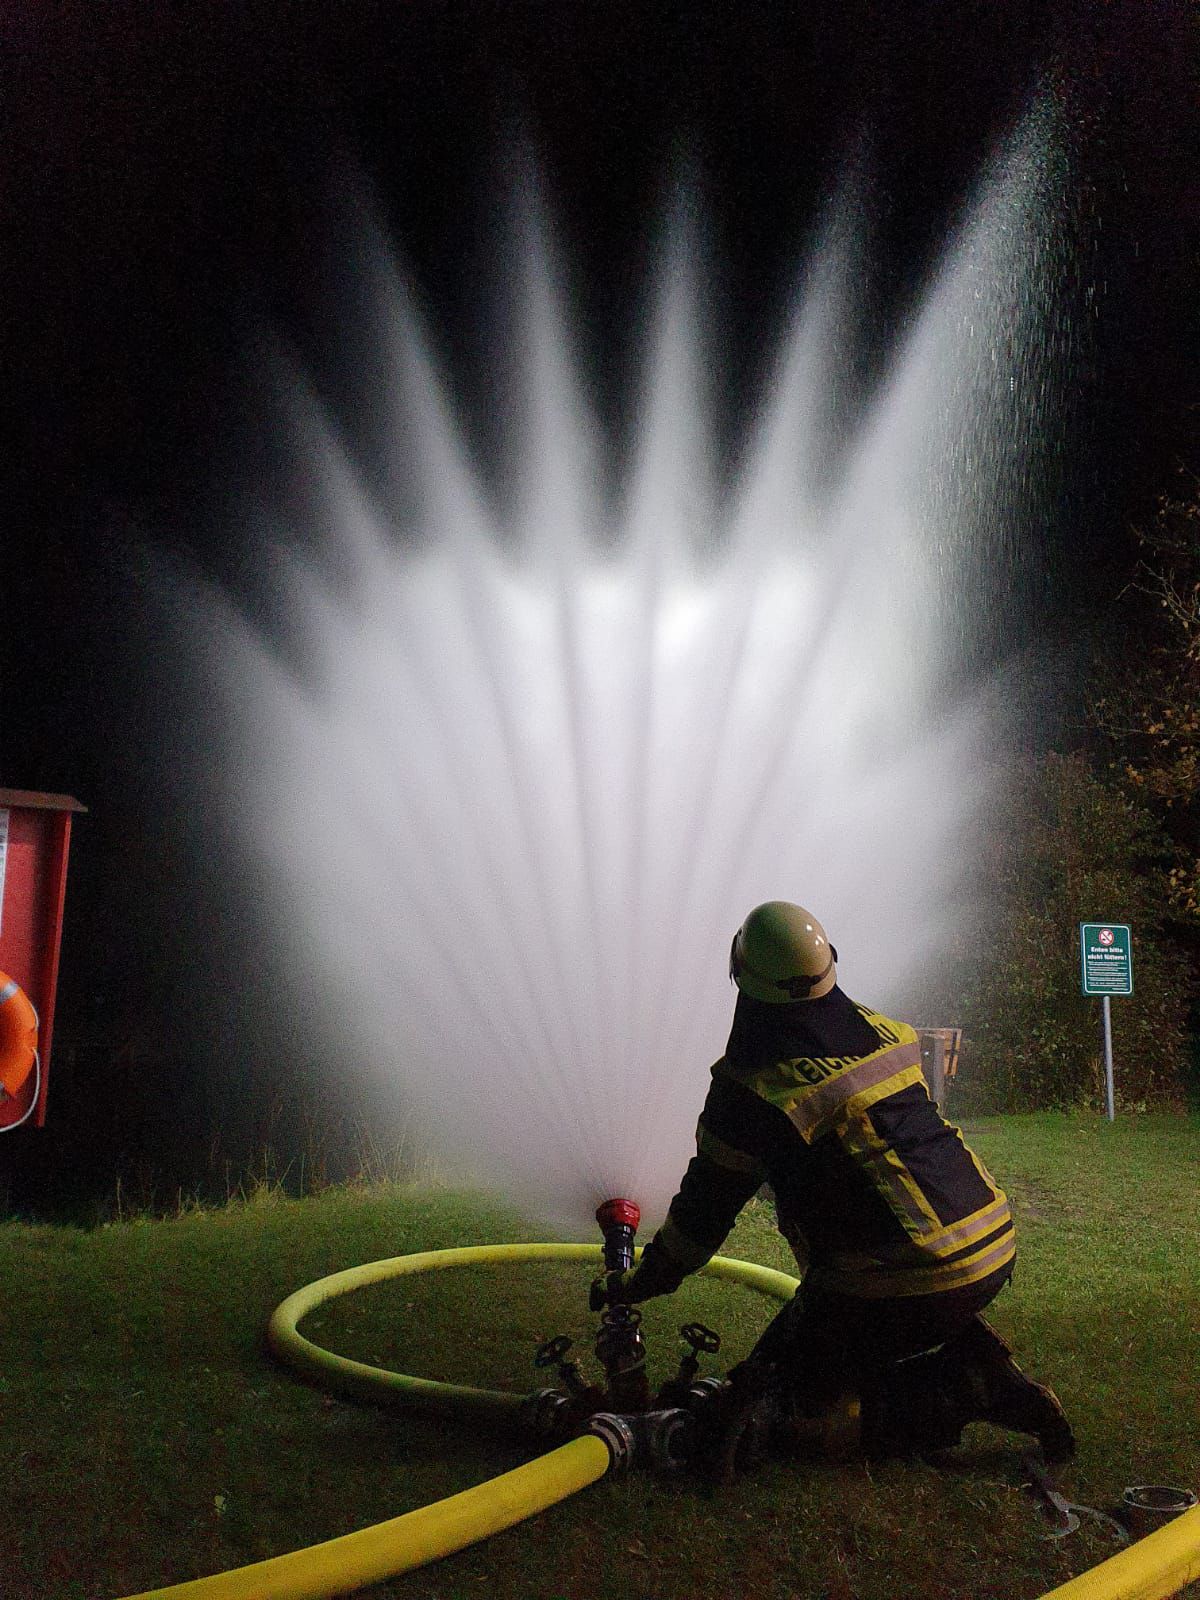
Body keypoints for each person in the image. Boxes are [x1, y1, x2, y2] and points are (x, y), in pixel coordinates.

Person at [616, 901, 1074, 1473]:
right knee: (808, 1355)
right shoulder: (883, 1030)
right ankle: (964, 1352)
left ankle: (963, 1388)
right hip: (992, 1242)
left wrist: (650, 1278)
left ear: (740, 976)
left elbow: (703, 1216)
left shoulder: (753, 1089)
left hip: (900, 1273)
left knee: (759, 1419)